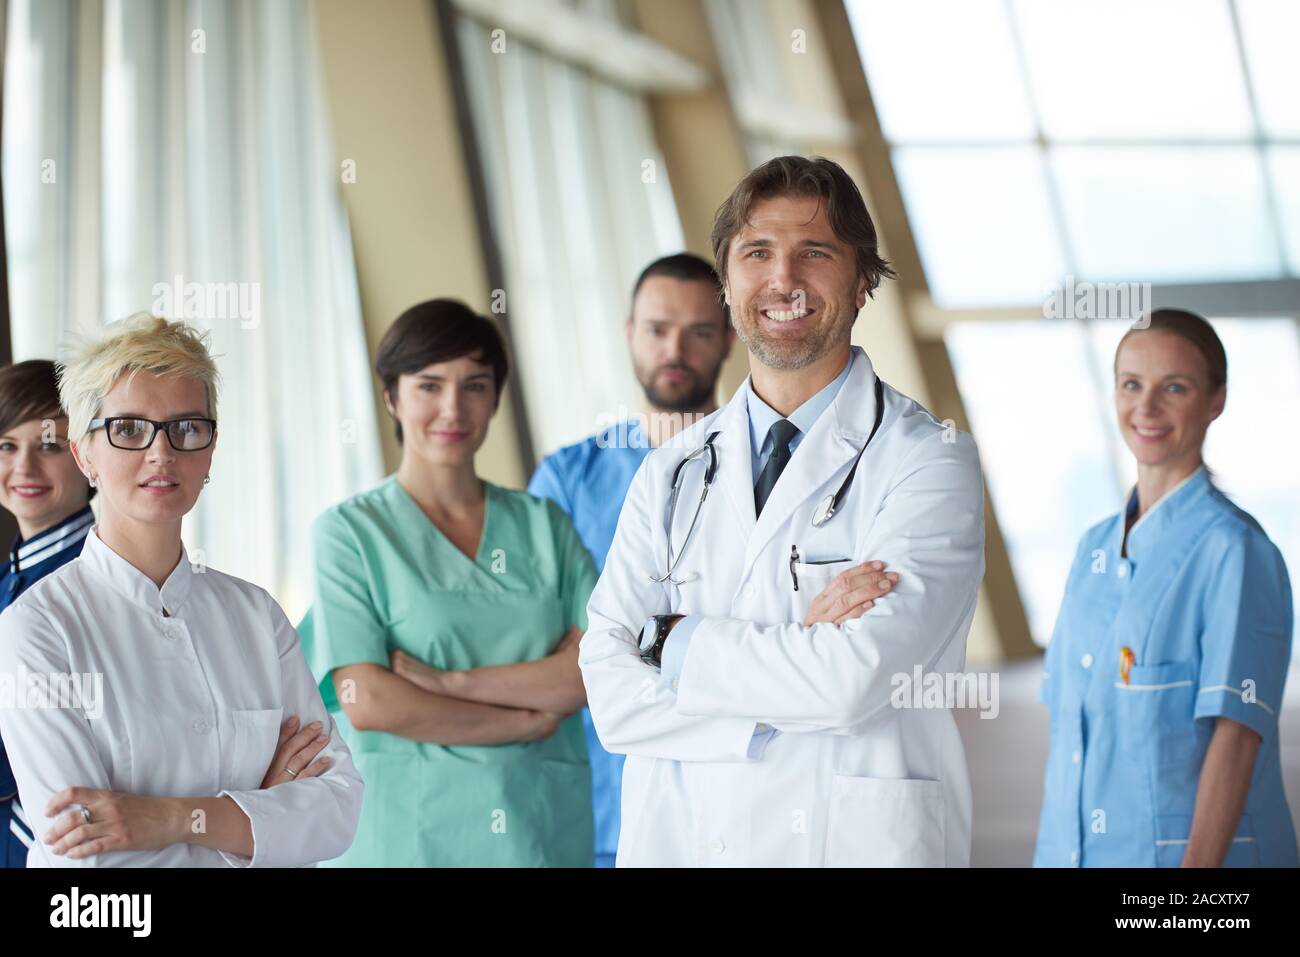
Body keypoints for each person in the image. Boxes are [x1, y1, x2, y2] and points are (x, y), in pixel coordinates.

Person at [580, 155, 985, 867]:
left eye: (815, 252)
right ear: (728, 283)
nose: (783, 279)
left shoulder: (928, 461)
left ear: (863, 280)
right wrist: (801, 648)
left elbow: (853, 677)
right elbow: (611, 695)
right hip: (684, 840)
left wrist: (672, 642)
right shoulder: (671, 470)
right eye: (757, 252)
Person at [0, 314, 363, 866]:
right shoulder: (38, 628)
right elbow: (88, 855)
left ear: (211, 450)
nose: (161, 453)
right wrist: (259, 815)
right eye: (127, 429)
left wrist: (166, 819)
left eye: (187, 428)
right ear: (83, 453)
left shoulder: (256, 615)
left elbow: (336, 811)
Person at [299, 299, 596, 866]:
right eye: (429, 386)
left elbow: (590, 673)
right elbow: (371, 700)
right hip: (407, 836)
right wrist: (526, 720)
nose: (453, 408)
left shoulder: (543, 527)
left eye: (475, 386)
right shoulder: (350, 534)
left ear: (496, 398)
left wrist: (449, 683)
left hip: (536, 830)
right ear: (392, 397)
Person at [1035, 308, 1298, 867]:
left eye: (1173, 387)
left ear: (1215, 400)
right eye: (1132, 384)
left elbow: (1237, 735)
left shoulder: (1237, 552)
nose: (1146, 408)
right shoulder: (1093, 550)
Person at [527, 252, 734, 867]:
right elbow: (549, 647)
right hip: (599, 794)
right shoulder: (568, 477)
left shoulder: (767, 468)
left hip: (734, 771)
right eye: (657, 329)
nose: (676, 349)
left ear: (728, 339)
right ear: (629, 334)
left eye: (698, 332)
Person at [0, 360, 94, 866]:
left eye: (49, 445)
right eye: (6, 446)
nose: (24, 467)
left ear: (87, 454)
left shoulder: (99, 581)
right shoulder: (8, 579)